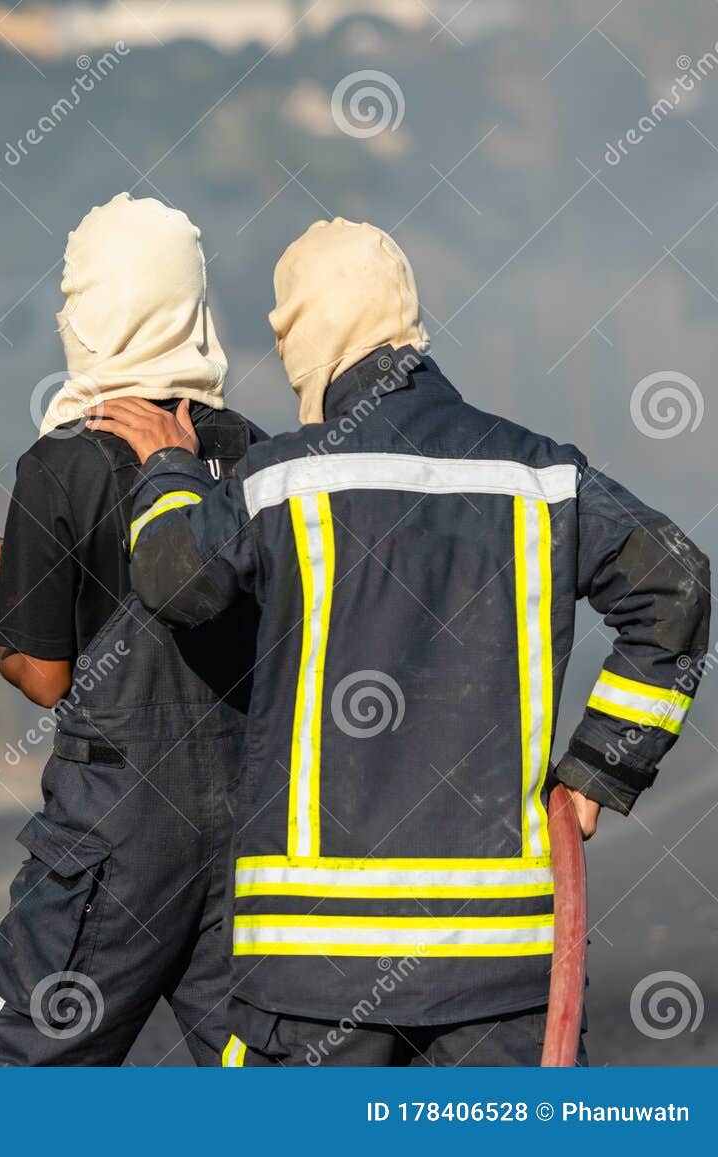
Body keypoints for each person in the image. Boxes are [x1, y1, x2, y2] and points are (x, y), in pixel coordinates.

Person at [99, 217, 711, 1066]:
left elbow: (173, 577)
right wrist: (599, 767)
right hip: (497, 971)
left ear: (307, 335)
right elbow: (676, 584)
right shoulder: (540, 477)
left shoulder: (284, 481)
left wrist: (168, 467)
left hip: (315, 977)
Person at [0, 193, 261, 1066]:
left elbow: (45, 676)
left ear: (88, 310)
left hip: (112, 841)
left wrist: (1, 612)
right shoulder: (254, 451)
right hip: (249, 831)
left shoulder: (63, 463)